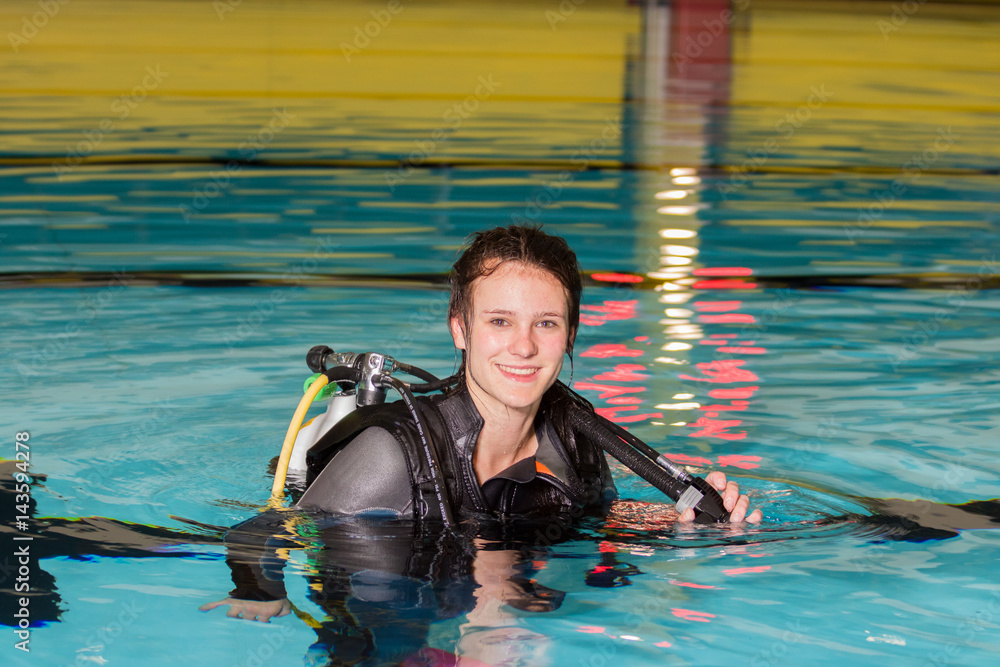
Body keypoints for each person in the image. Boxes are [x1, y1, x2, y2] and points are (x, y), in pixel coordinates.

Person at [294, 224, 763, 524]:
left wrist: (678, 520)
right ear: (461, 329)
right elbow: (279, 536)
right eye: (500, 321)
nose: (524, 346)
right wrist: (257, 590)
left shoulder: (575, 434)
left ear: (570, 334)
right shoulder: (393, 453)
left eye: (546, 323)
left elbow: (594, 520)